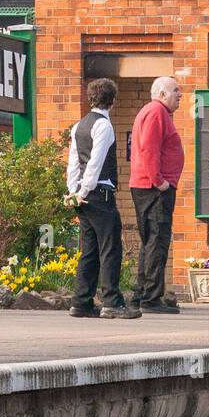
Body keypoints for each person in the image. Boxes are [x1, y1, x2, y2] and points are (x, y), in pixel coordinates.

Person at [65, 78, 134, 319]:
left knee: (89, 251)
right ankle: (112, 302)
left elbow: (74, 162)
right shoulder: (103, 126)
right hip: (100, 194)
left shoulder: (78, 126)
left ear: (90, 98)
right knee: (110, 249)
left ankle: (81, 302)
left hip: (83, 197)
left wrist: (73, 192)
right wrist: (84, 191)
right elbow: (95, 163)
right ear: (112, 101)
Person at [130, 76, 185, 314]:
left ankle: (143, 293)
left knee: (150, 241)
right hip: (153, 189)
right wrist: (159, 181)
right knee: (157, 241)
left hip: (148, 187)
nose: (179, 95)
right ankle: (151, 297)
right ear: (162, 94)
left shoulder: (155, 112)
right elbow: (148, 149)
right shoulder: (156, 112)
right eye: (175, 91)